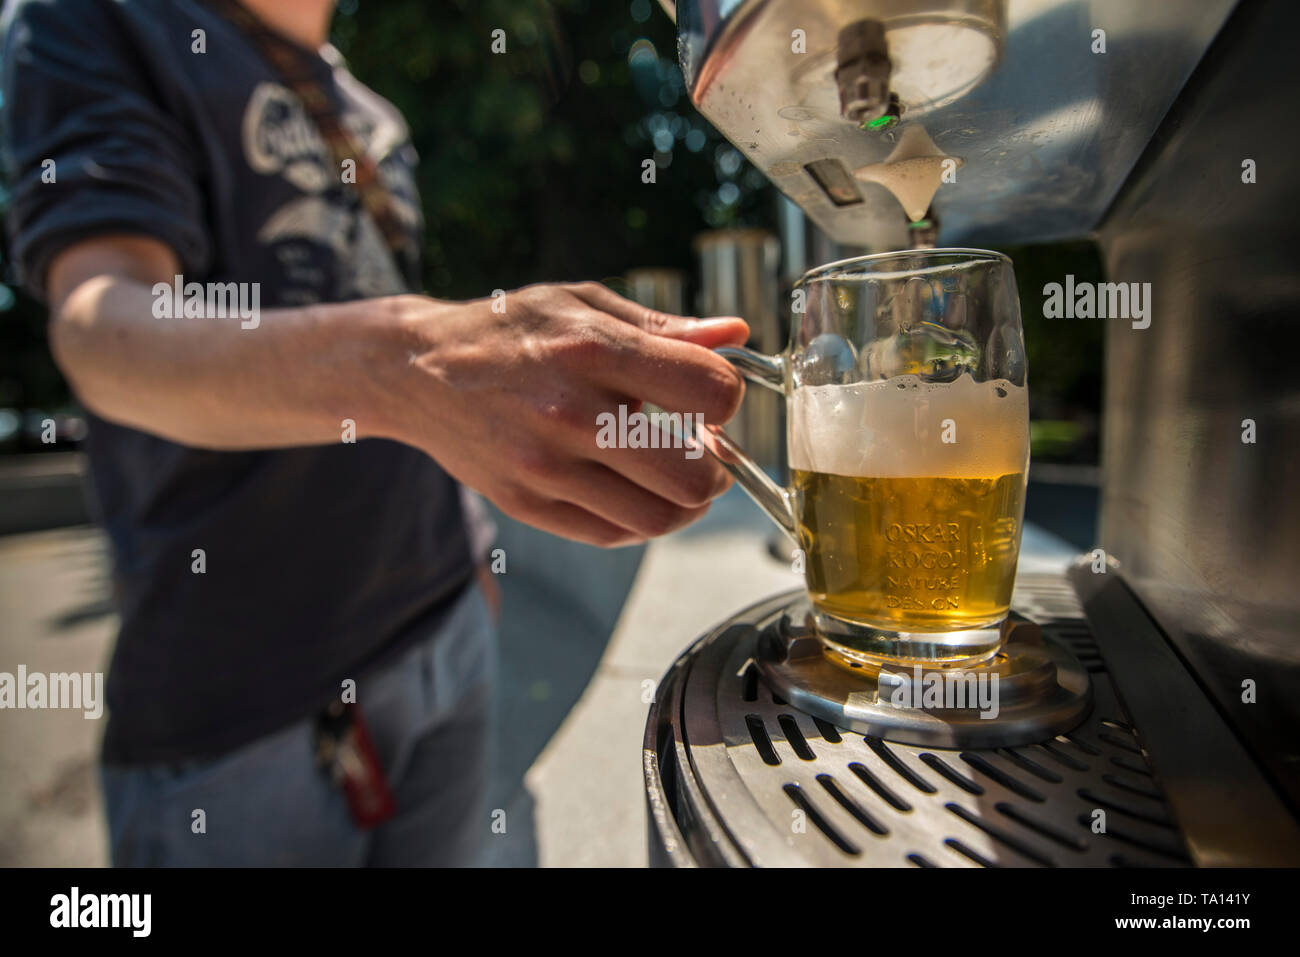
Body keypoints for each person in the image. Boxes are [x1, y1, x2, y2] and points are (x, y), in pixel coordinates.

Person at [0, 0, 747, 866]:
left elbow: (399, 382)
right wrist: (414, 358)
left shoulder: (369, 113)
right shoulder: (98, 20)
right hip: (244, 709)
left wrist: (469, 558)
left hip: (443, 631)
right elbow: (105, 335)